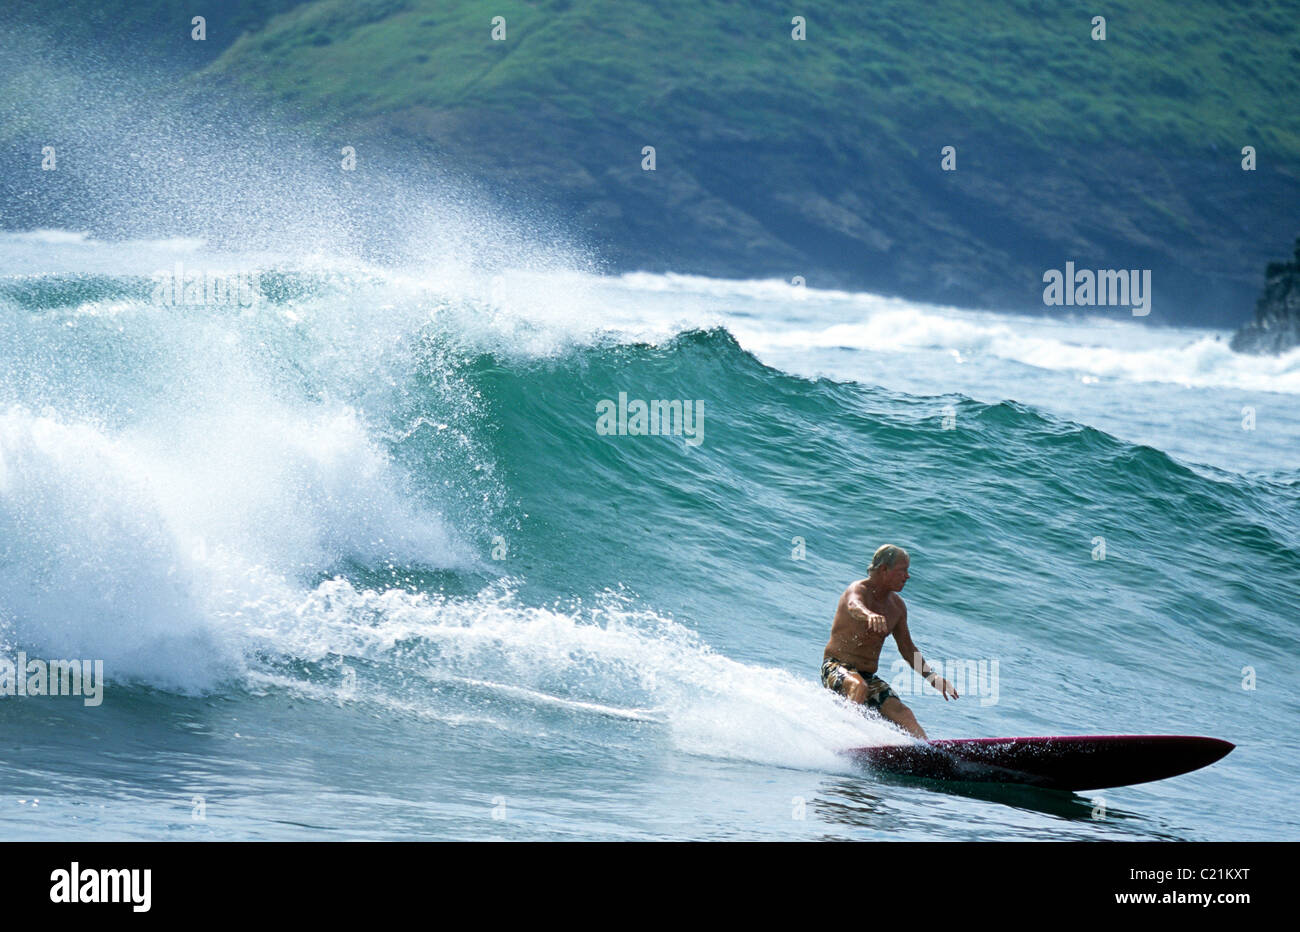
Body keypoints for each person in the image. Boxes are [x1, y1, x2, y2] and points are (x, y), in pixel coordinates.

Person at [821, 545, 957, 738]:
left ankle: (928, 752)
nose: (907, 576)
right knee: (858, 687)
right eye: (903, 570)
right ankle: (845, 739)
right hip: (835, 667)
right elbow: (853, 605)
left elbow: (908, 649)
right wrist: (868, 614)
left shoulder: (897, 607)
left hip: (867, 677)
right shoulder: (857, 590)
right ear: (884, 569)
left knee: (904, 714)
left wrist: (932, 678)